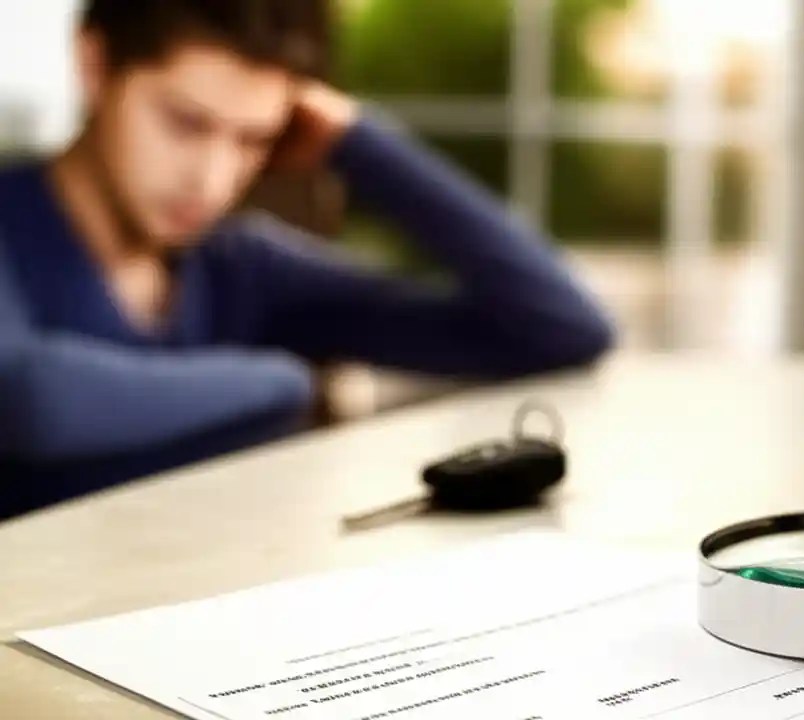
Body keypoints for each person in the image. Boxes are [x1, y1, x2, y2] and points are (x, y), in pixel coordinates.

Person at [0, 0, 615, 518]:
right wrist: (288, 380)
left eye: (253, 139)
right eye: (185, 123)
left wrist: (357, 143)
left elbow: (560, 328)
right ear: (95, 62)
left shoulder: (241, 268)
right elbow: (28, 400)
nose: (212, 180)